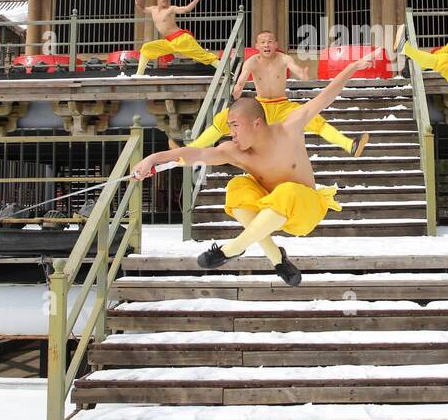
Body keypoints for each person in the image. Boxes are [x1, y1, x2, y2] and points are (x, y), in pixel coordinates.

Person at [132, 52, 378, 286]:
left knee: (288, 191)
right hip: (269, 209)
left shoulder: (289, 128)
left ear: (257, 123)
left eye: (236, 125)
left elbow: (326, 96)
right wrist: (154, 159)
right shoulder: (234, 150)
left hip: (303, 211)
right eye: (229, 126)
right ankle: (277, 259)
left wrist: (354, 67)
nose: (231, 132)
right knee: (237, 186)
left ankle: (233, 248)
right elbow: (197, 153)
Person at [188, 30, 369, 156]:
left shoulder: (284, 58)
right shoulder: (252, 61)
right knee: (223, 119)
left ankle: (348, 145)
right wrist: (238, 88)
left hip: (283, 106)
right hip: (260, 108)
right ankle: (192, 148)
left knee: (314, 120)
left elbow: (296, 69)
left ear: (276, 44)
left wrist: (303, 74)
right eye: (263, 42)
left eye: (270, 42)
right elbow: (242, 78)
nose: (267, 45)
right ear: (257, 45)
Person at [133, 0, 220, 74]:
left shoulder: (171, 9)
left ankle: (227, 71)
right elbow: (143, 9)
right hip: (169, 42)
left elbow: (186, 9)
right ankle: (139, 74)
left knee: (204, 56)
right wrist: (139, 4)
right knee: (146, 48)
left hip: (182, 39)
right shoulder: (153, 9)